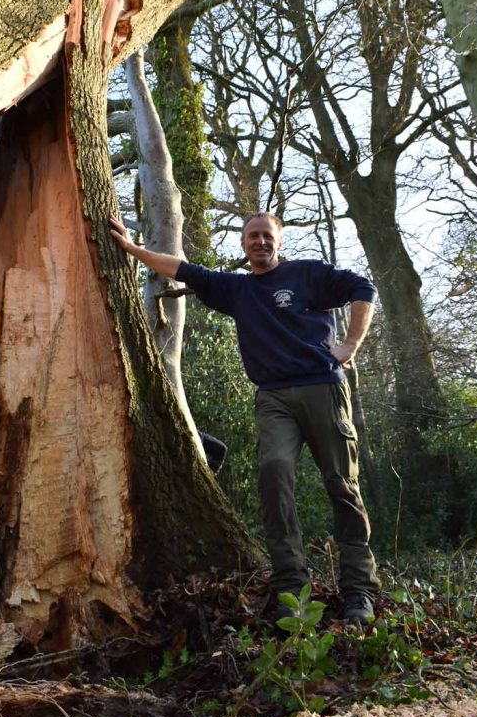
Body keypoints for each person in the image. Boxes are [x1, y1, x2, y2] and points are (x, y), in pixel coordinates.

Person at [109, 211, 380, 625]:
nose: (259, 242)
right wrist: (131, 249)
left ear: (279, 242)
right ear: (243, 244)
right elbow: (184, 269)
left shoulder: (307, 275)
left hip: (322, 386)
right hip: (272, 395)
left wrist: (350, 344)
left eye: (266, 236)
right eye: (252, 236)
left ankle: (359, 592)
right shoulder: (237, 290)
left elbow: (364, 288)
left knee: (342, 485)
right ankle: (293, 592)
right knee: (273, 474)